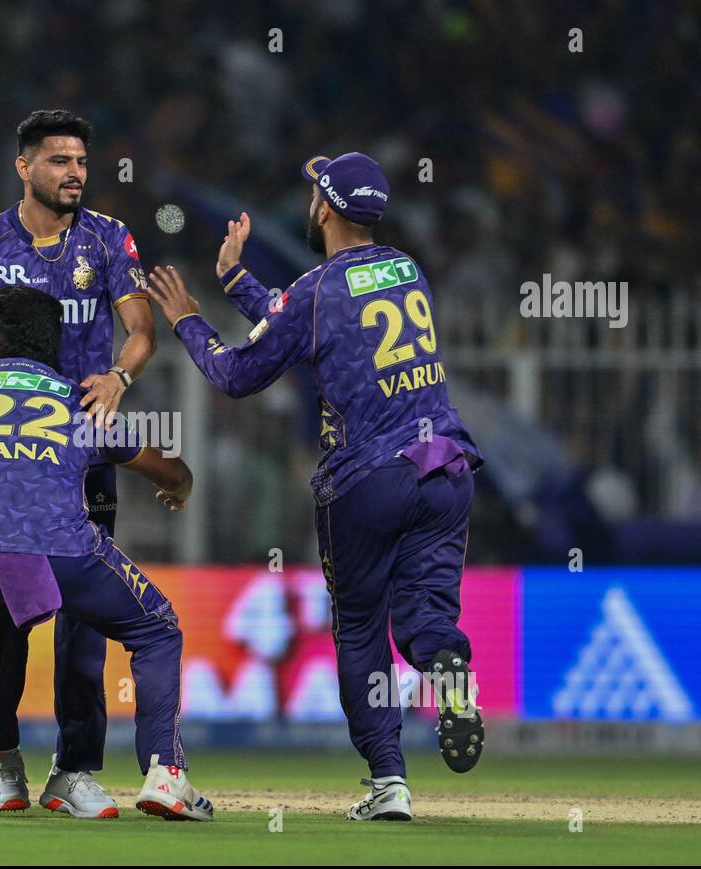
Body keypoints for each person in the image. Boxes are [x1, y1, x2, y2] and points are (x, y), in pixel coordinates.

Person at [146, 152, 485, 822]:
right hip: (447, 466)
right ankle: (451, 672)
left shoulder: (317, 290)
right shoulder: (405, 270)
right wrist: (238, 279)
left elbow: (238, 374)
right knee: (425, 621)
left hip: (369, 478)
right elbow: (304, 318)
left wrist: (189, 317)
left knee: (360, 630)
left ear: (323, 207)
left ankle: (390, 784)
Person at [0, 110, 156, 817]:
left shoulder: (108, 239)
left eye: (81, 160)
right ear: (24, 167)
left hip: (82, 448)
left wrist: (119, 379)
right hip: (15, 451)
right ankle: (3, 758)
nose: (74, 172)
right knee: (6, 611)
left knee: (85, 610)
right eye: (58, 161)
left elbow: (141, 328)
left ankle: (74, 769)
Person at [0, 287, 210, 822]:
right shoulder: (80, 399)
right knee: (156, 629)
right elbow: (168, 469)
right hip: (61, 551)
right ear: (56, 345)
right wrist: (180, 487)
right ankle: (164, 775)